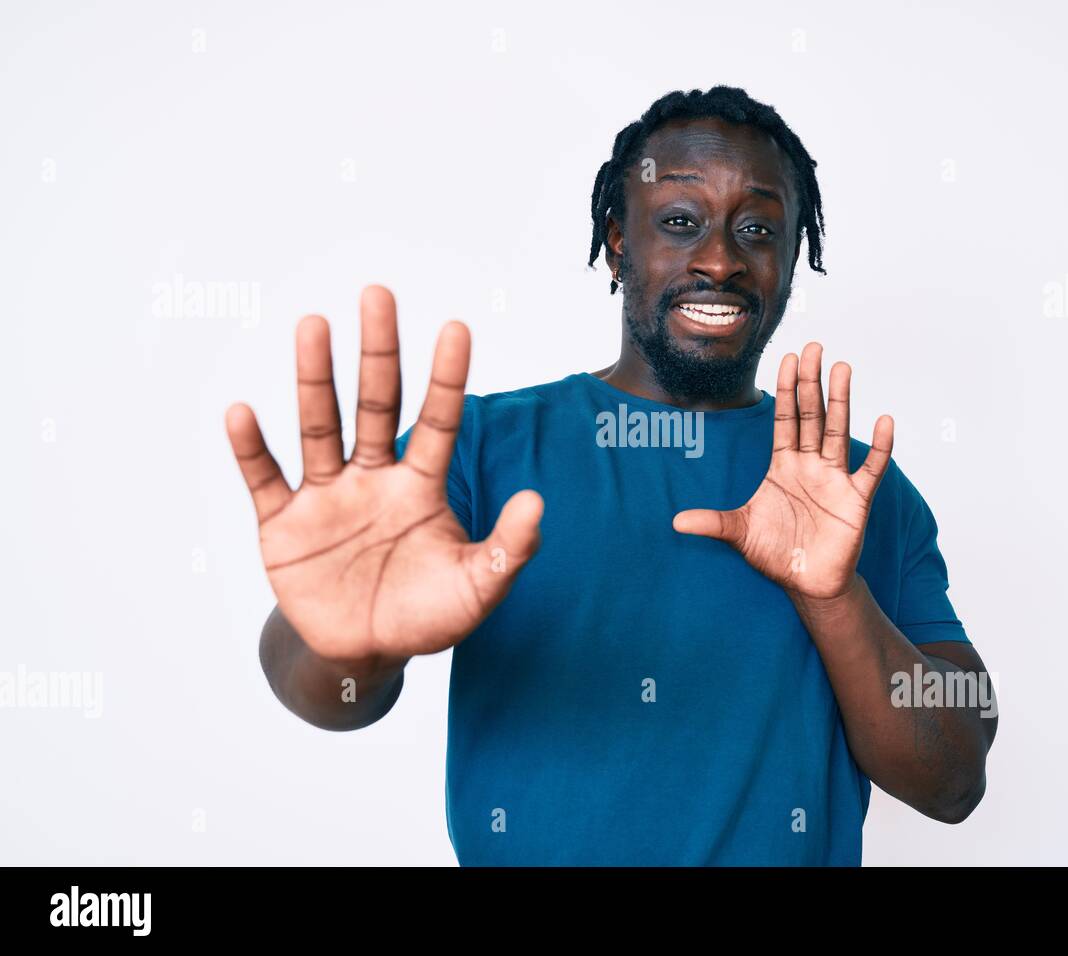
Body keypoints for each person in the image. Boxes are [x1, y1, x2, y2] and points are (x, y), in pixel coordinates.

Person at [226, 85, 996, 866]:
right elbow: (321, 691)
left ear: (791, 258)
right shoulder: (478, 448)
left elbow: (954, 781)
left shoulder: (860, 489)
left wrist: (835, 597)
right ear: (619, 240)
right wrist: (352, 646)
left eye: (758, 229)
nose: (720, 259)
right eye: (681, 222)